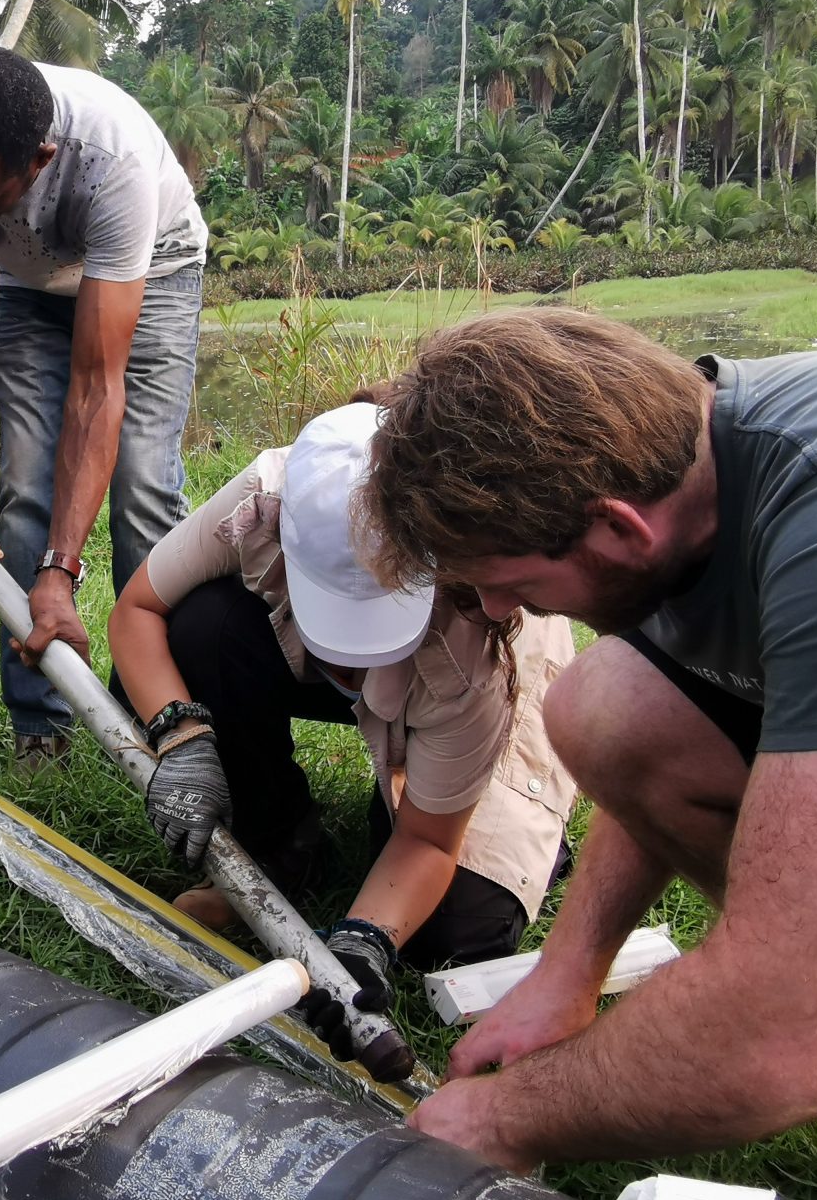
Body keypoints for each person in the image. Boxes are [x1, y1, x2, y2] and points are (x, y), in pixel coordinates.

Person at [357, 307, 817, 1200]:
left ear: (617, 530)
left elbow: (792, 1042)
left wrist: (504, 1119)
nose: (495, 611)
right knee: (608, 704)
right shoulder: (678, 449)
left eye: (508, 583)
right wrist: (568, 972)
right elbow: (650, 725)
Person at [108, 401, 578, 1016]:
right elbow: (137, 610)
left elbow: (430, 843)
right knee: (199, 627)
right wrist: (184, 739)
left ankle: (526, 826)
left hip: (461, 683)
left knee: (453, 932)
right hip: (316, 651)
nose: (352, 664)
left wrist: (363, 942)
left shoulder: (478, 642)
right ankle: (280, 845)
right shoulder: (268, 496)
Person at [0, 44, 208, 763]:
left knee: (143, 488)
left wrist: (60, 571)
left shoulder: (112, 162)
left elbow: (97, 385)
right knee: (25, 488)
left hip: (155, 270)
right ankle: (40, 728)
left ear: (41, 159)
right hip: (31, 283)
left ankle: (157, 720)